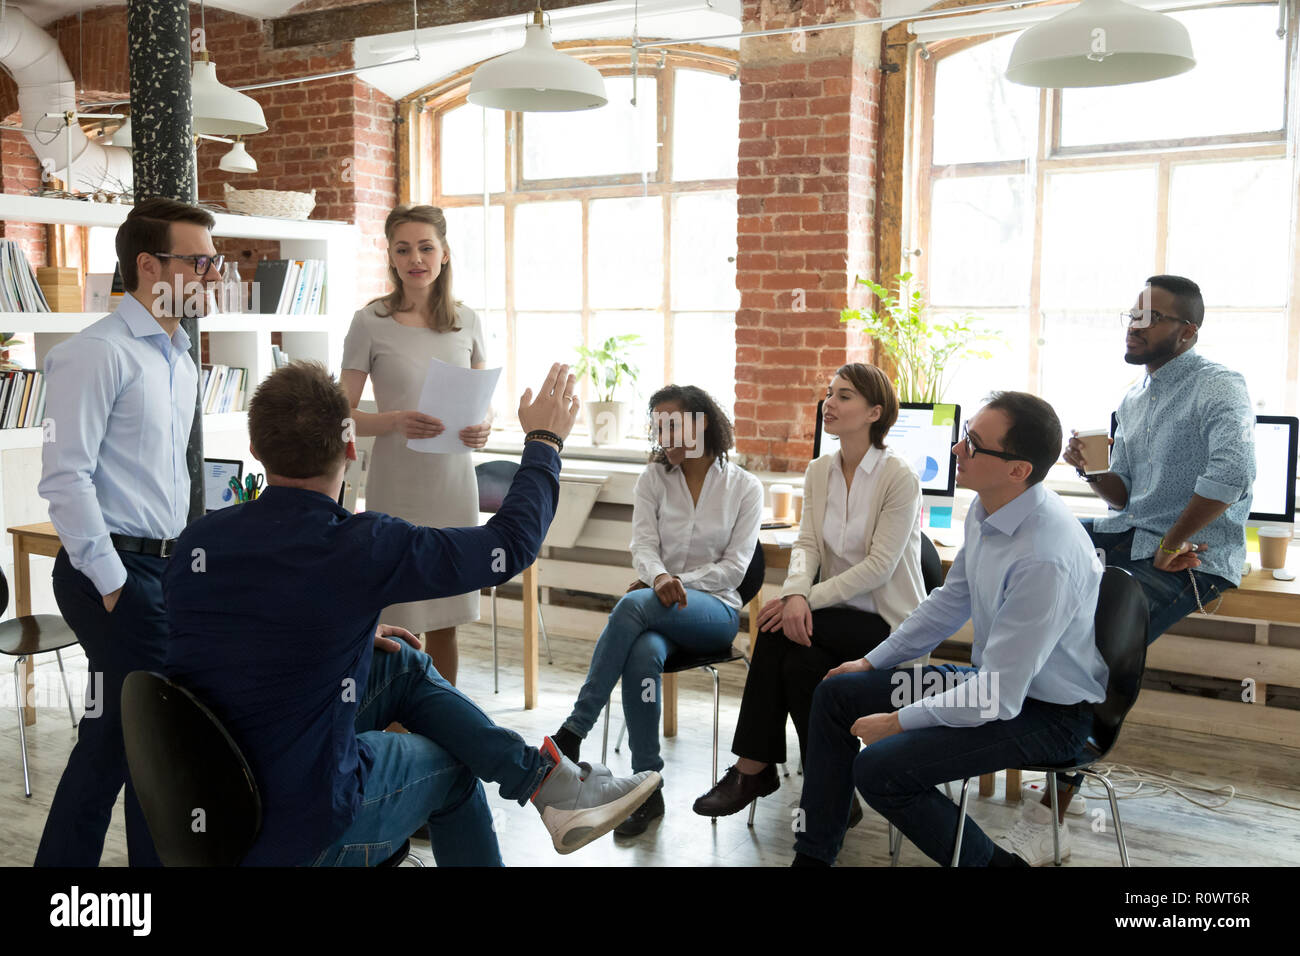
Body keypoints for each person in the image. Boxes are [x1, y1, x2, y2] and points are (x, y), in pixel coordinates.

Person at [162, 361, 659, 865]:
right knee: (456, 765)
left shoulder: (196, 542)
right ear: (351, 446)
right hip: (302, 829)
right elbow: (507, 547)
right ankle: (546, 788)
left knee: (397, 660)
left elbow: (239, 635)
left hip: (210, 800)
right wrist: (546, 440)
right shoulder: (360, 546)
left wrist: (347, 628)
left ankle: (549, 783)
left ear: (255, 451)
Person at [790, 392, 1109, 868]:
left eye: (974, 445)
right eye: (964, 438)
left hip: (1047, 716)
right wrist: (871, 661)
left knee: (879, 770)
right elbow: (947, 604)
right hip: (992, 687)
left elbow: (996, 698)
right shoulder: (990, 509)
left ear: (1017, 470)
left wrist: (897, 721)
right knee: (838, 693)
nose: (958, 450)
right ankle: (813, 856)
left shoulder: (1045, 556)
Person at [1006, 275, 1255, 861]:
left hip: (1195, 555)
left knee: (1094, 640)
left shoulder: (1221, 387)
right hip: (1130, 538)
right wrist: (1093, 471)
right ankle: (990, 724)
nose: (1134, 326)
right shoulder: (1133, 399)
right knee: (1025, 545)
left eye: (1151, 318)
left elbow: (1230, 476)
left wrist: (1172, 540)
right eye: (1132, 315)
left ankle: (1055, 808)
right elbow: (1127, 499)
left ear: (1187, 331)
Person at [34, 197, 220, 867]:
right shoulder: (94, 355)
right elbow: (64, 479)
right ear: (148, 265)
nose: (209, 274)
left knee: (119, 738)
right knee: (144, 739)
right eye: (197, 260)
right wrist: (114, 586)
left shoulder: (178, 358)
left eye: (212, 261)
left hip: (161, 570)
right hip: (112, 571)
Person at [692, 364, 926, 820]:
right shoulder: (820, 470)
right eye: (829, 394)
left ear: (874, 412)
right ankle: (832, 789)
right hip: (833, 618)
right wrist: (796, 592)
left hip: (887, 625)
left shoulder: (899, 477)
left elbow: (879, 568)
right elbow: (807, 545)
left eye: (843, 397)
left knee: (778, 632)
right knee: (799, 666)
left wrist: (802, 600)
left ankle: (754, 769)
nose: (829, 404)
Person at [550, 385, 763, 836]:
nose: (663, 433)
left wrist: (673, 583)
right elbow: (643, 545)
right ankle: (648, 787)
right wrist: (658, 577)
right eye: (657, 423)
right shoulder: (652, 478)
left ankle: (574, 728)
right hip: (657, 611)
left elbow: (735, 569)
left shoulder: (744, 486)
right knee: (643, 653)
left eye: (673, 422)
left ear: (701, 423)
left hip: (714, 613)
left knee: (631, 606)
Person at [339, 204, 492, 685]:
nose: (416, 258)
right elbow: (339, 416)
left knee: (446, 618)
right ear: (390, 255)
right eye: (403, 248)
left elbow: (485, 401)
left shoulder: (467, 320)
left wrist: (484, 426)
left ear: (444, 254)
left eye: (426, 247)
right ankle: (399, 729)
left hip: (453, 483)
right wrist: (393, 421)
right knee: (400, 616)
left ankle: (445, 729)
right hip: (396, 486)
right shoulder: (370, 322)